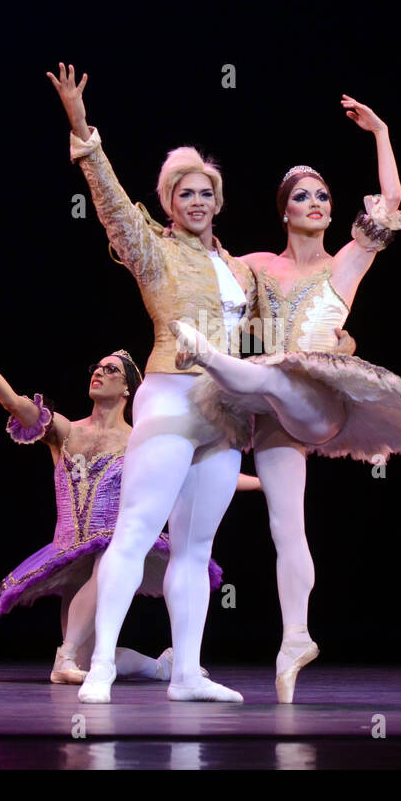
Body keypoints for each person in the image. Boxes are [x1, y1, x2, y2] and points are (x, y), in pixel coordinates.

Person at [170, 95, 401, 702]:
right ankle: (295, 640)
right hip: (271, 420)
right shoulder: (257, 265)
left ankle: (208, 359)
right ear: (284, 210)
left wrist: (383, 132)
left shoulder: (347, 262)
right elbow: (201, 252)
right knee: (286, 527)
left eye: (322, 197)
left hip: (321, 401)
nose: (314, 204)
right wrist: (185, 208)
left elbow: (391, 204)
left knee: (269, 375)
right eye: (302, 196)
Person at [48, 63, 255, 703]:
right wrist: (84, 129)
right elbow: (110, 203)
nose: (196, 202)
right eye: (183, 194)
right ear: (168, 203)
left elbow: (276, 334)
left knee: (195, 548)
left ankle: (188, 673)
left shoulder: (241, 270)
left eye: (205, 193)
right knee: (137, 529)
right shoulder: (154, 250)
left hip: (225, 412)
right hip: (170, 393)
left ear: (219, 200)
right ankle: (103, 663)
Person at [0, 316, 241, 684]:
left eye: (110, 370)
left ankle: (66, 660)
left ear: (128, 388)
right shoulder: (65, 430)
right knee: (84, 656)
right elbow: (14, 404)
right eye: (97, 367)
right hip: (69, 546)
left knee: (93, 594)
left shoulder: (139, 440)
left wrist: (263, 481)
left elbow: (194, 471)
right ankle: (160, 667)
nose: (99, 373)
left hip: (112, 544)